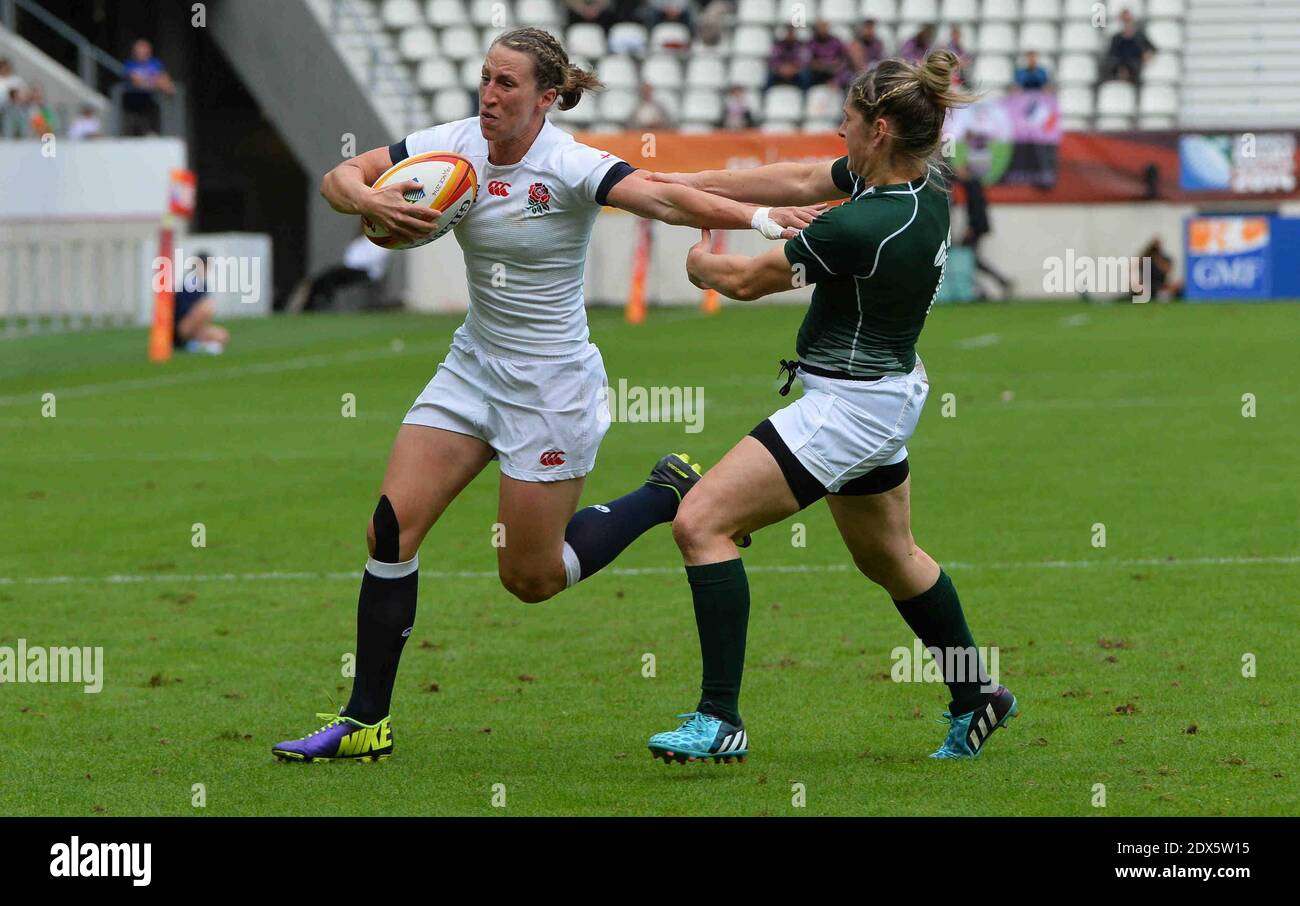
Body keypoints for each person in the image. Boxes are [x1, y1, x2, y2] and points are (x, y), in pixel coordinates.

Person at [271, 26, 823, 763]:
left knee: (529, 578)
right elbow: (342, 174)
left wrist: (758, 220)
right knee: (389, 532)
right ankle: (365, 721)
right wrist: (367, 197)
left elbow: (657, 197)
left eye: (507, 84)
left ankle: (663, 495)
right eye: (486, 77)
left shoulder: (568, 163)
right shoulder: (455, 140)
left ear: (546, 97)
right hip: (471, 369)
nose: (489, 94)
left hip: (550, 388)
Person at [642, 50, 1019, 764]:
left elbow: (746, 282)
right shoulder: (923, 186)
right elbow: (798, 178)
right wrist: (694, 183)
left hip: (845, 410)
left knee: (701, 524)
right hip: (887, 395)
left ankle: (719, 718)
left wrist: (697, 262)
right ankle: (978, 697)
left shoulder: (859, 226)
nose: (837, 132)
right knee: (893, 558)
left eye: (846, 120)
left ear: (878, 128)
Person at [955, 163, 1013, 300]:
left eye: (960, 171)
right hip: (978, 227)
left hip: (976, 228)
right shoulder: (972, 185)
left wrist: (971, 227)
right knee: (971, 260)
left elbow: (977, 209)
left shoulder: (973, 186)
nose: (958, 174)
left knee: (971, 260)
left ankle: (988, 288)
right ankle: (995, 284)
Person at [173, 253, 230, 354]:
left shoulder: (203, 284)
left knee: (222, 336)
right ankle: (188, 341)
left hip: (193, 327)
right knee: (207, 306)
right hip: (181, 327)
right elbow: (182, 311)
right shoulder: (189, 282)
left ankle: (194, 344)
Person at [121, 39, 174, 136]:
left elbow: (166, 83)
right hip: (132, 105)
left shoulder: (155, 63)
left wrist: (150, 81)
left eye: (143, 50)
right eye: (138, 50)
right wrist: (154, 81)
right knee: (131, 134)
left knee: (151, 132)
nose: (140, 53)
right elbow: (136, 81)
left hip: (150, 103)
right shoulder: (130, 64)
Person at [1104, 9, 1156, 84]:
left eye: (1128, 20)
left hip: (1135, 71)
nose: (1127, 23)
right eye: (1124, 20)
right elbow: (1111, 55)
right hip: (1118, 69)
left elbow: (1152, 49)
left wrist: (1148, 54)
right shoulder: (1116, 38)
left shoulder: (1139, 37)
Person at [807, 20, 850, 89]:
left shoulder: (836, 41)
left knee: (847, 75)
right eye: (820, 27)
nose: (822, 29)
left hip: (834, 70)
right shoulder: (812, 42)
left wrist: (836, 64)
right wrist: (817, 65)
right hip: (818, 72)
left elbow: (844, 57)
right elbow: (808, 59)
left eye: (824, 27)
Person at [767, 25, 810, 91]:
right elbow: (773, 60)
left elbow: (804, 61)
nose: (790, 36)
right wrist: (780, 68)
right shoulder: (778, 46)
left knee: (805, 75)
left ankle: (804, 94)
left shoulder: (801, 47)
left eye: (792, 34)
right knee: (770, 75)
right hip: (780, 70)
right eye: (788, 34)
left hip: (795, 70)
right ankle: (767, 93)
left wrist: (794, 69)